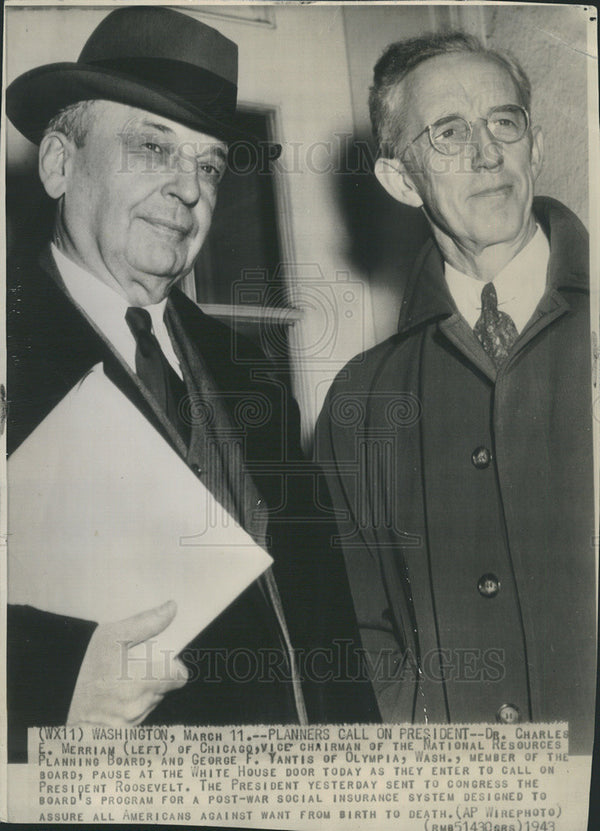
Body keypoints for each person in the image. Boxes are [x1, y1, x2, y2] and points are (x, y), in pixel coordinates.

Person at [6, 6, 378, 762]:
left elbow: (326, 622)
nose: (188, 189)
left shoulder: (252, 374)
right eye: (152, 147)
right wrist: (51, 693)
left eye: (208, 165)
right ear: (59, 164)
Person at [316, 32, 596, 754]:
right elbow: (353, 626)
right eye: (449, 132)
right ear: (400, 180)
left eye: (504, 122)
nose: (486, 153)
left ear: (535, 146)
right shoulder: (360, 402)